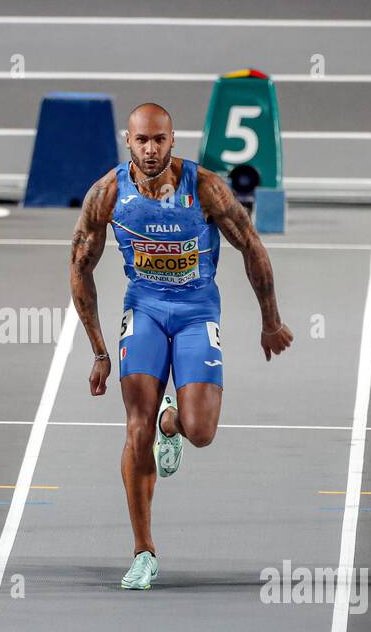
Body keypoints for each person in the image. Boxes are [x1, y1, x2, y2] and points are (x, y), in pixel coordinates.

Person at [70, 103, 293, 589]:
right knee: (135, 429)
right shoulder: (106, 194)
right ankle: (143, 551)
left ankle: (173, 421)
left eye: (159, 141)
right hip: (144, 310)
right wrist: (100, 352)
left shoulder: (205, 187)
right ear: (127, 142)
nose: (151, 150)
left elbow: (251, 244)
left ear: (173, 142)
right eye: (142, 141)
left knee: (201, 431)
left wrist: (270, 321)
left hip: (196, 312)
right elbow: (79, 267)